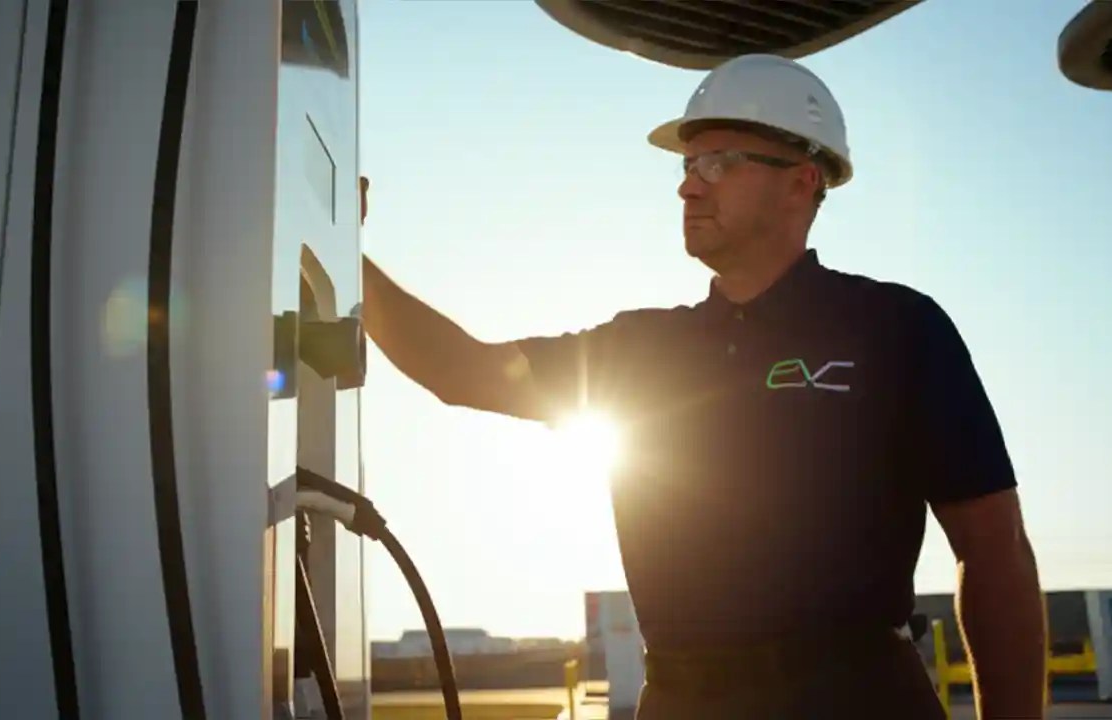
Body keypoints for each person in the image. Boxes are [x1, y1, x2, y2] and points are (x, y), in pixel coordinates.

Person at [359, 54, 1046, 719]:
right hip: (682, 704)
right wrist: (338, 247)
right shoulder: (639, 349)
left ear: (801, 181)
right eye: (688, 166)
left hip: (859, 699)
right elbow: (460, 371)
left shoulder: (898, 328)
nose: (689, 187)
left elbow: (994, 550)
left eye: (719, 163)